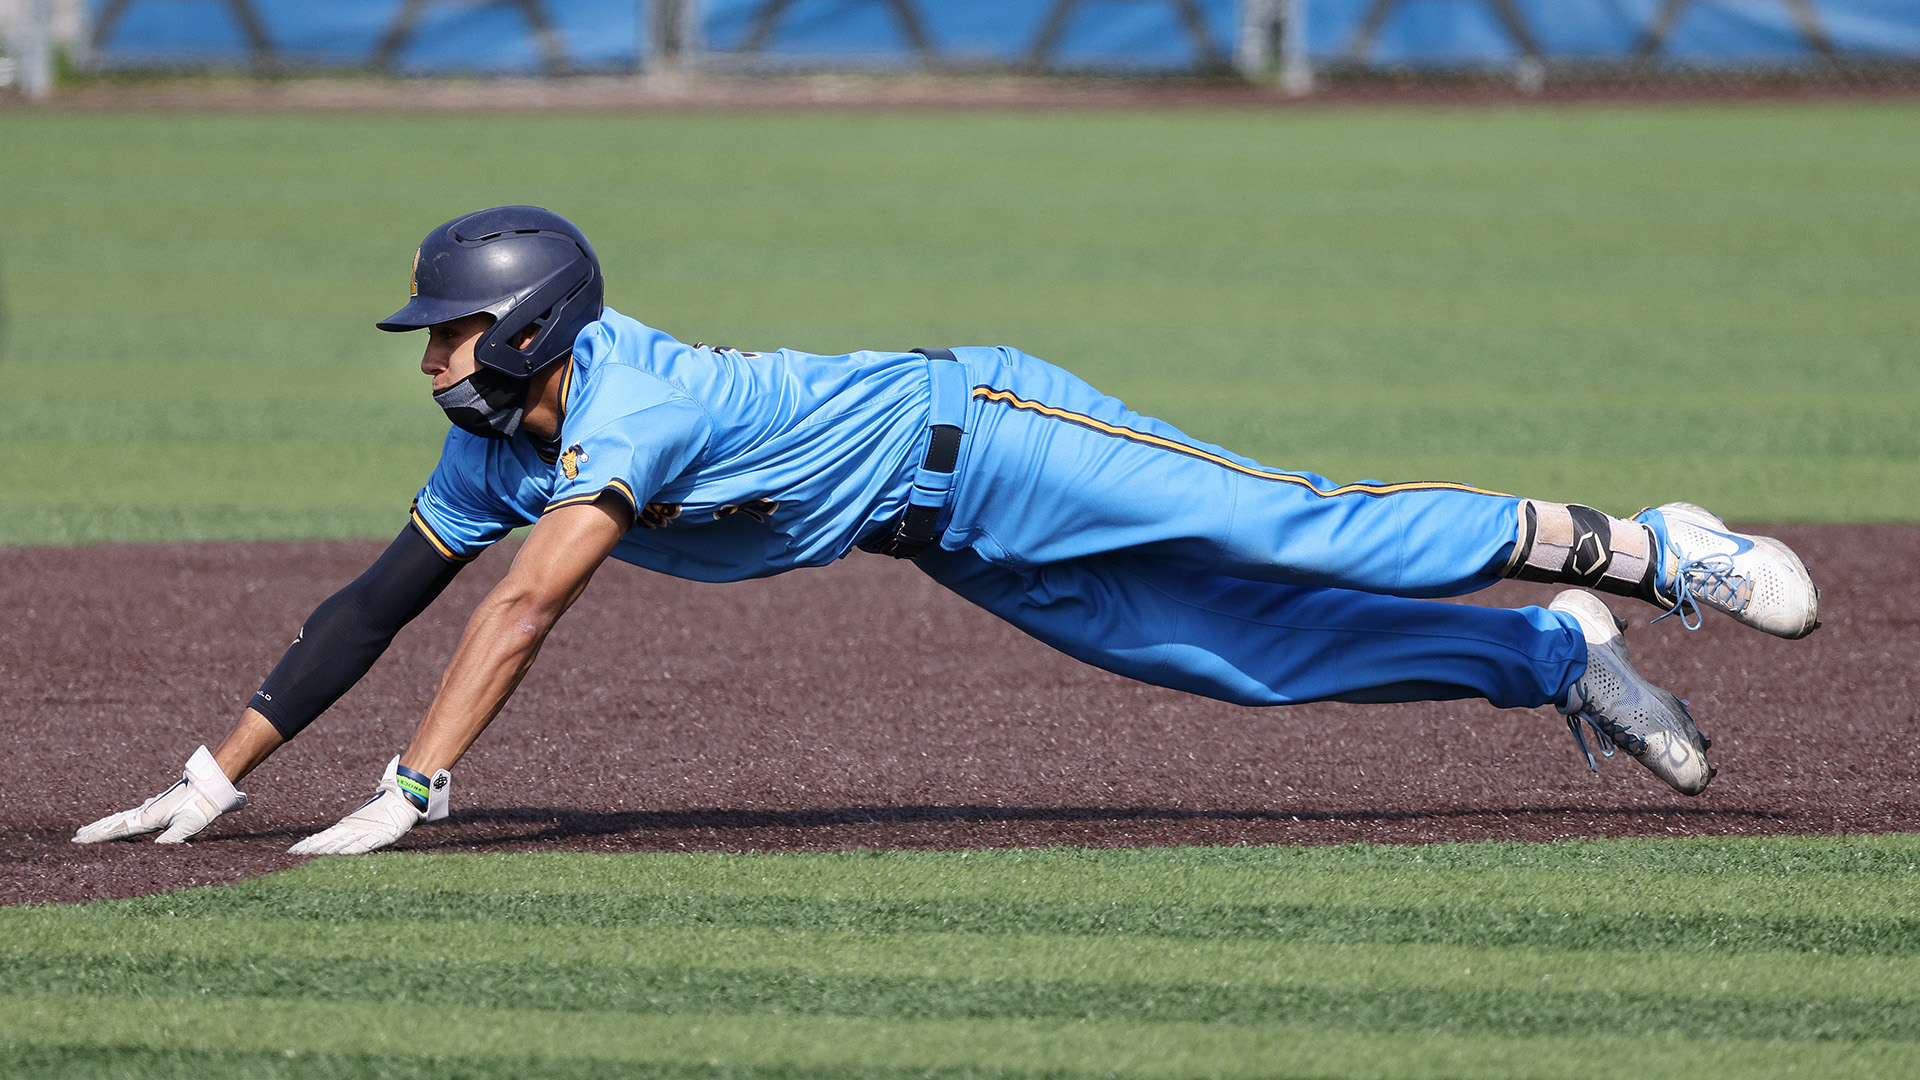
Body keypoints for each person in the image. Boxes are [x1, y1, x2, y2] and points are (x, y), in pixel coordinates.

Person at [73, 205, 1821, 856]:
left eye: (451, 332)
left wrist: (418, 789)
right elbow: (373, 605)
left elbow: (527, 613)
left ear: (530, 330)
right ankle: (1542, 657)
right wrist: (222, 772)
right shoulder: (495, 457)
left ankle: (1653, 550)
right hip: (945, 531)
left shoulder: (631, 408)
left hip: (982, 426)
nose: (433, 357)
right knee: (1239, 658)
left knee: (1302, 534)